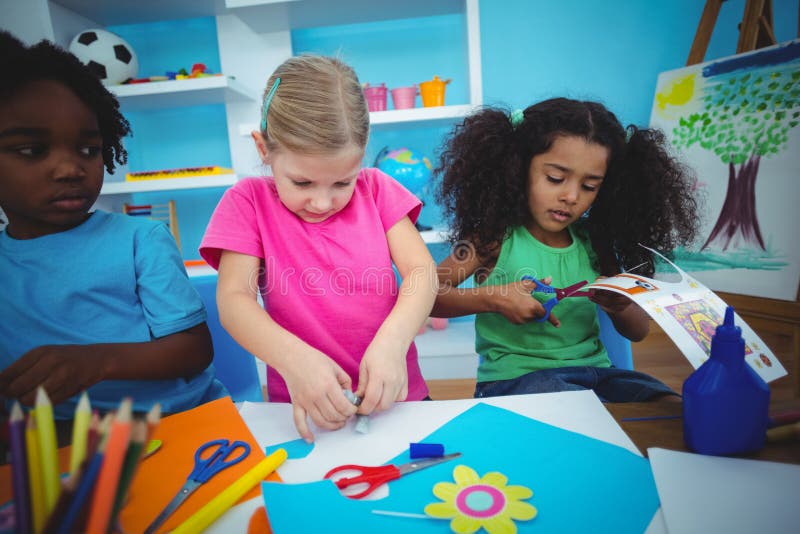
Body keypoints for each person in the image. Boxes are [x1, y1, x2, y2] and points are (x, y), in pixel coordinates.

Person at [200, 55, 437, 441]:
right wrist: (295, 363)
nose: (323, 203)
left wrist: (393, 343)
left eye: (342, 183)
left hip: (398, 400)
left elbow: (421, 272)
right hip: (305, 409)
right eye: (303, 183)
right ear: (263, 148)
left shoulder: (376, 189)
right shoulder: (248, 203)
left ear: (362, 154)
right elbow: (234, 298)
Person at [0, 31, 226, 419]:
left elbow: (194, 350)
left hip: (171, 420)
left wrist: (97, 362)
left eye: (89, 149)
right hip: (47, 443)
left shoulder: (141, 239)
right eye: (32, 151)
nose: (70, 168)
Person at [432, 98, 699, 401]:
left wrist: (620, 306)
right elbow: (425, 294)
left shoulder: (594, 243)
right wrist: (492, 298)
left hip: (598, 373)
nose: (571, 196)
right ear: (518, 169)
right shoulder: (491, 238)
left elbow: (638, 332)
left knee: (669, 405)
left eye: (589, 186)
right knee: (580, 414)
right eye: (556, 178)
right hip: (517, 380)